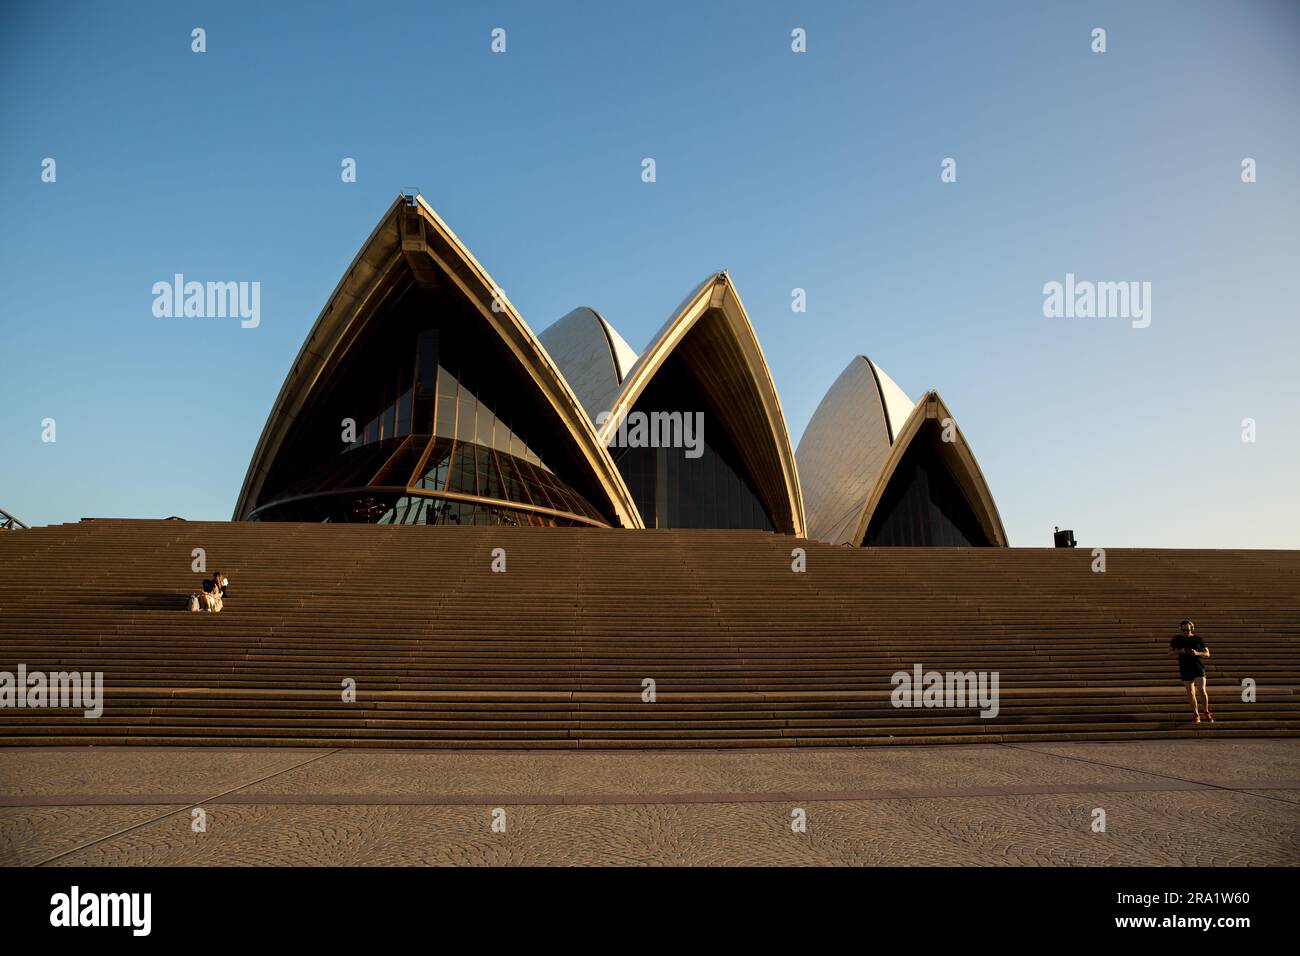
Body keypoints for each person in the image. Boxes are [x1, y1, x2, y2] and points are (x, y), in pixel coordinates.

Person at [1168, 619, 1211, 723]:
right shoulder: (1177, 639)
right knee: (1191, 693)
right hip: (1185, 667)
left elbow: (1207, 653)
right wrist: (1180, 651)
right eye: (1183, 630)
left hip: (1198, 667)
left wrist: (1196, 653)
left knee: (1202, 690)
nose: (1186, 632)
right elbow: (1170, 652)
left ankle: (1206, 711)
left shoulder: (1197, 639)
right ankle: (1196, 714)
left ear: (1192, 629)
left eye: (1188, 630)